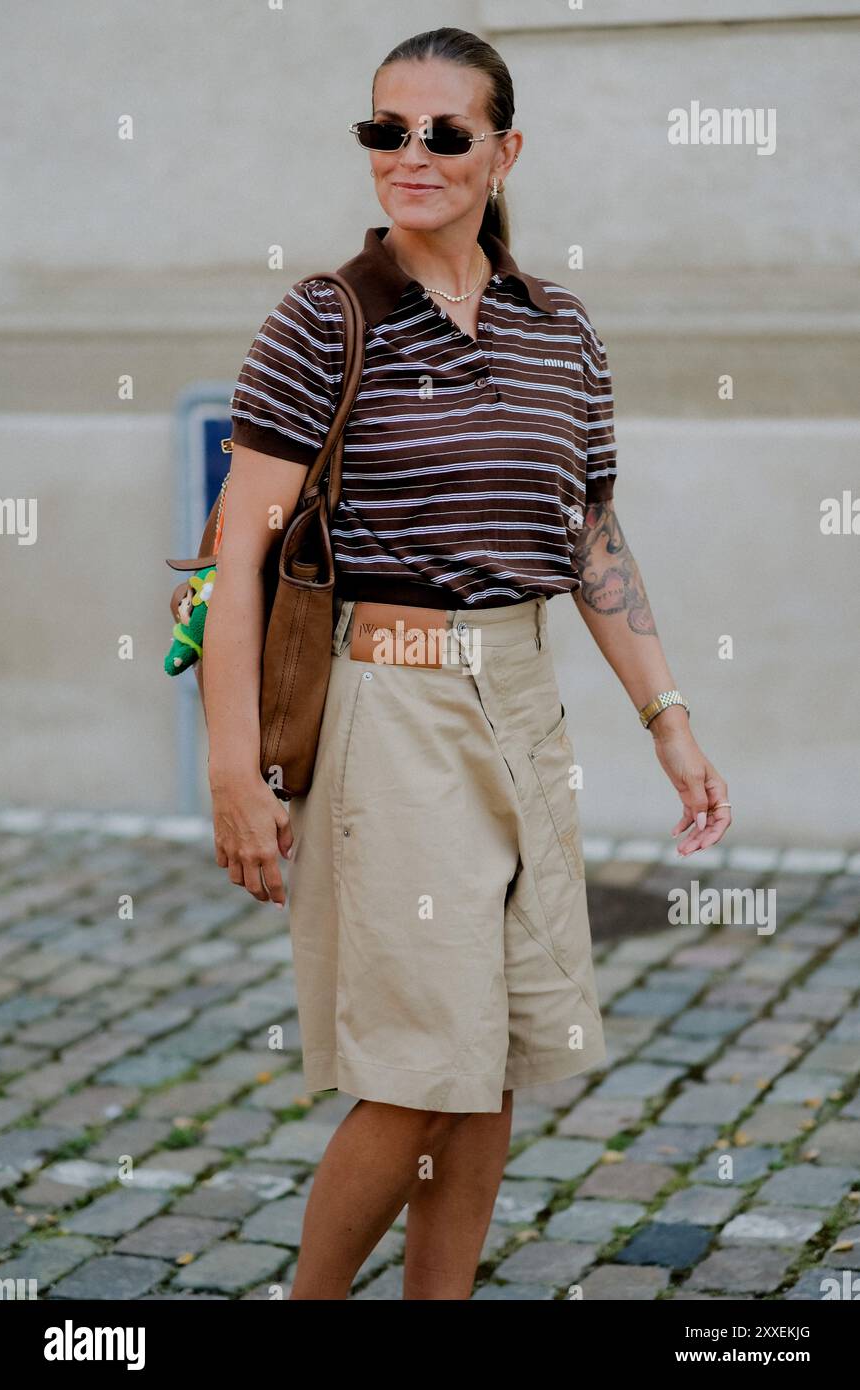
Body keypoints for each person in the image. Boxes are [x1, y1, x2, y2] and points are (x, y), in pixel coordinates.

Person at [201, 26, 732, 1300]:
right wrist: (234, 768)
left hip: (521, 706)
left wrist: (664, 715)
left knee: (490, 1056)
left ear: (504, 150)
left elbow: (588, 529)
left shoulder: (563, 332)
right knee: (415, 1071)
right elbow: (236, 567)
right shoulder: (322, 320)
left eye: (444, 133)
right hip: (387, 714)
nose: (411, 156)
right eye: (385, 130)